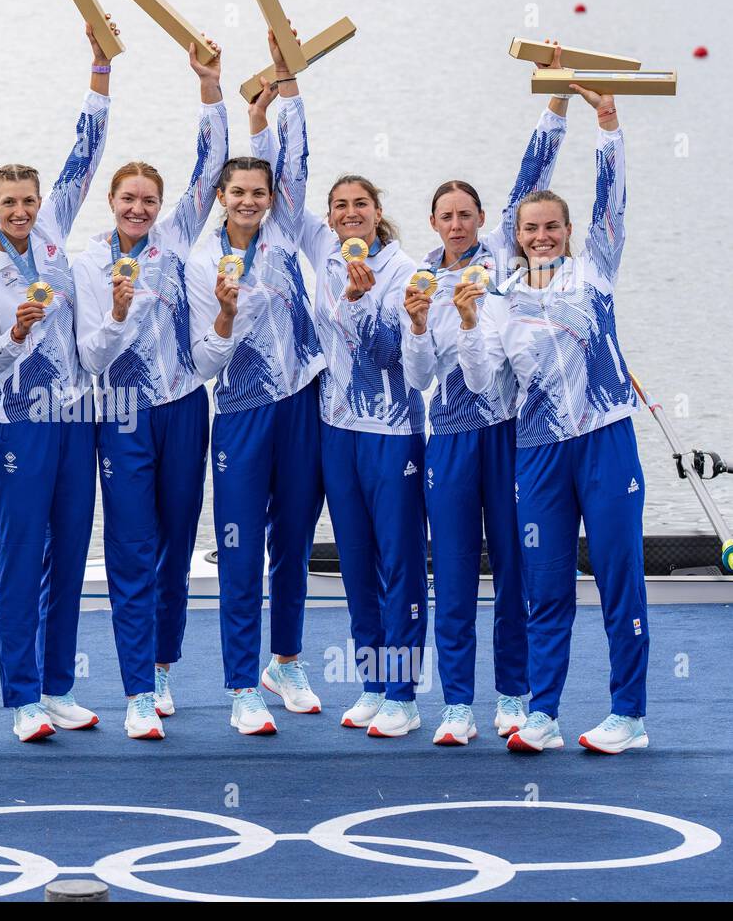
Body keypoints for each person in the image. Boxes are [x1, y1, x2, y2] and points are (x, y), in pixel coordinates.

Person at [455, 82, 648, 755]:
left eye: (551, 227)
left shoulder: (594, 271)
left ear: (568, 232)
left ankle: (629, 715)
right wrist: (468, 322)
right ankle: (543, 713)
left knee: (619, 577)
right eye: (530, 229)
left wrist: (607, 123)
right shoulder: (499, 295)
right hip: (537, 451)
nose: (541, 236)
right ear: (515, 236)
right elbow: (481, 381)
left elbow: (611, 200)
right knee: (545, 585)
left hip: (604, 439)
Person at [251, 59, 425, 739]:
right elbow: (283, 181)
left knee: (398, 564)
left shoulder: (403, 270)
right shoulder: (322, 245)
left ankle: (405, 691)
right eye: (341, 205)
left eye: (362, 205)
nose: (351, 213)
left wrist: (355, 302)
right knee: (355, 563)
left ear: (379, 213)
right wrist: (274, 108)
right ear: (329, 216)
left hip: (391, 432)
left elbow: (391, 356)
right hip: (334, 429)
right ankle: (374, 682)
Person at [402, 49, 571, 745]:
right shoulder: (417, 279)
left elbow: (534, 177)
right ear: (433, 222)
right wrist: (418, 325)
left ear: (481, 219)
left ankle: (513, 693)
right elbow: (417, 376)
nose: (457, 224)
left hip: (508, 432)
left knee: (513, 567)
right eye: (446, 216)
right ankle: (457, 704)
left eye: (467, 214)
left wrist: (557, 99)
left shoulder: (502, 255)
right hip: (448, 437)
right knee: (452, 574)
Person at [0, 21, 117, 742]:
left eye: (29, 201)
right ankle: (21, 696)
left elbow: (86, 154)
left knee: (71, 555)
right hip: (22, 424)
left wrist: (99, 70)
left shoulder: (52, 233)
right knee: (21, 560)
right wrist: (18, 332)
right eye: (10, 204)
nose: (22, 212)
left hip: (75, 418)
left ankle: (57, 687)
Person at [74, 37, 230, 740]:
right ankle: (136, 689)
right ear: (111, 202)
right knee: (131, 548)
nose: (138, 209)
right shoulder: (88, 263)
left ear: (162, 206)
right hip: (122, 413)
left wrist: (209, 85)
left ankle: (163, 666)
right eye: (128, 199)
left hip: (185, 407)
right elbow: (90, 355)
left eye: (149, 200)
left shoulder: (176, 237)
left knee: (176, 542)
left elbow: (213, 166)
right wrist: (116, 310)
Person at [192, 30, 328, 737]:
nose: (249, 200)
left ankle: (286, 661)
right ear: (220, 196)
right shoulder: (198, 264)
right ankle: (241, 684)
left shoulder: (285, 231)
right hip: (242, 412)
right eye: (237, 191)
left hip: (303, 400)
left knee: (294, 540)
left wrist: (287, 87)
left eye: (259, 191)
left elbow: (296, 157)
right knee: (241, 547)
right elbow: (204, 363)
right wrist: (223, 313)